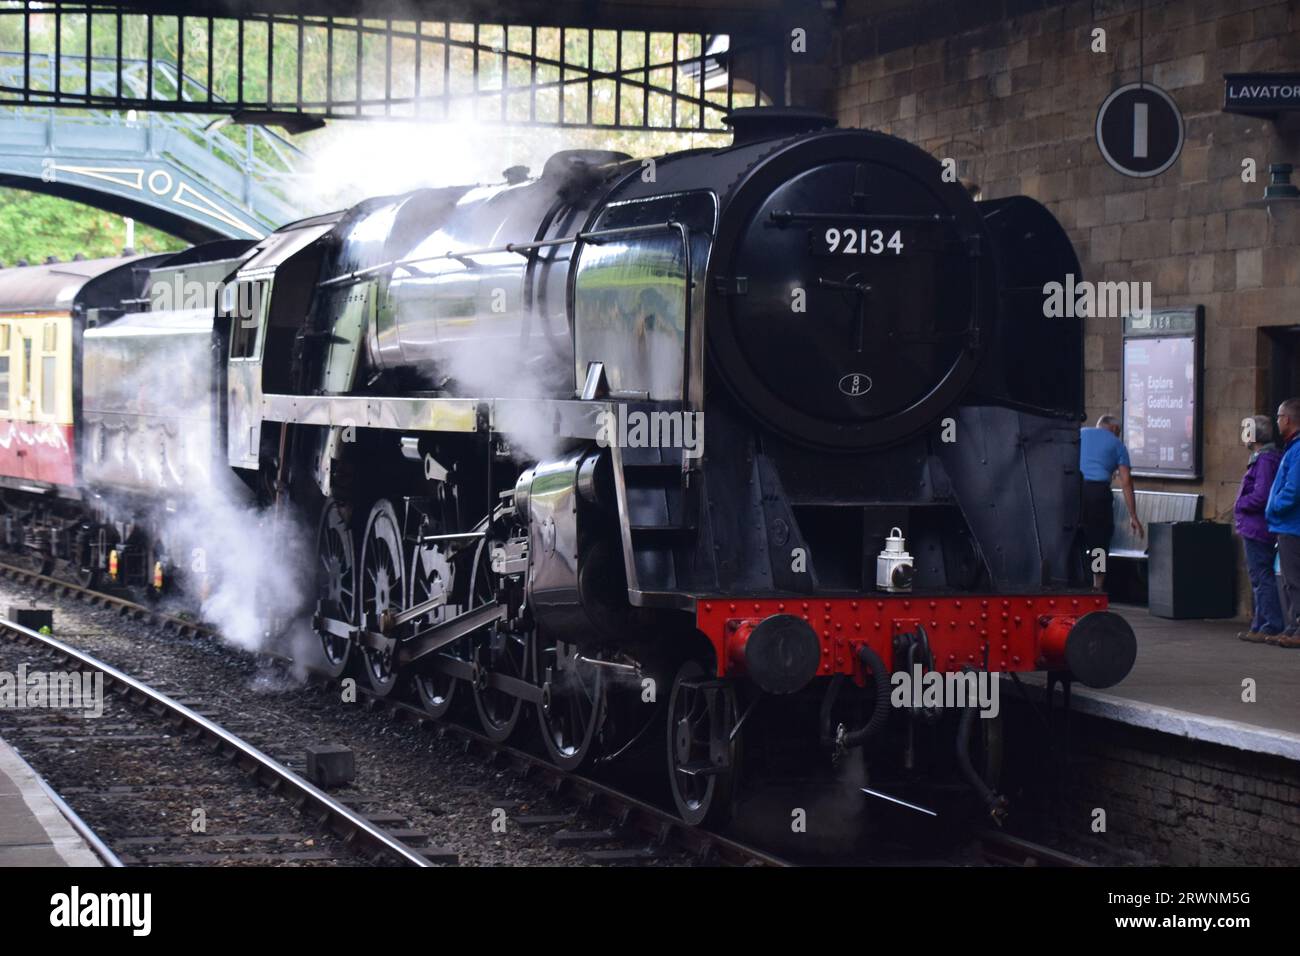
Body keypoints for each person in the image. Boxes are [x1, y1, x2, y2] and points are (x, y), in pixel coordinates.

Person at [1234, 414, 1283, 642]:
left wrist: (1240, 504)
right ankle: (1260, 624)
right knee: (1262, 576)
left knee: (1261, 576)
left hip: (1256, 526)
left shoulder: (1263, 460)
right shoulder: (1270, 457)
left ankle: (1268, 625)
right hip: (1263, 526)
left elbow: (1261, 494)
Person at [1079, 414, 1143, 589]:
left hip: (1072, 490)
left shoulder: (1080, 433)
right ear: (1114, 429)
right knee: (1099, 542)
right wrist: (1133, 515)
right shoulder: (1117, 445)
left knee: (1072, 537)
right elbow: (1126, 481)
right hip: (1097, 495)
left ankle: (1070, 584)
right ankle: (1097, 586)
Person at [1265, 398, 1300, 648]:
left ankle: (1297, 628)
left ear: (1287, 419)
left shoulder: (1297, 450)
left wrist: (1274, 506)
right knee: (1290, 580)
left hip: (1292, 525)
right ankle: (1292, 627)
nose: (1277, 421)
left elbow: (1293, 489)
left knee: (1294, 580)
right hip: (1288, 525)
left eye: (1278, 416)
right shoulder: (1292, 448)